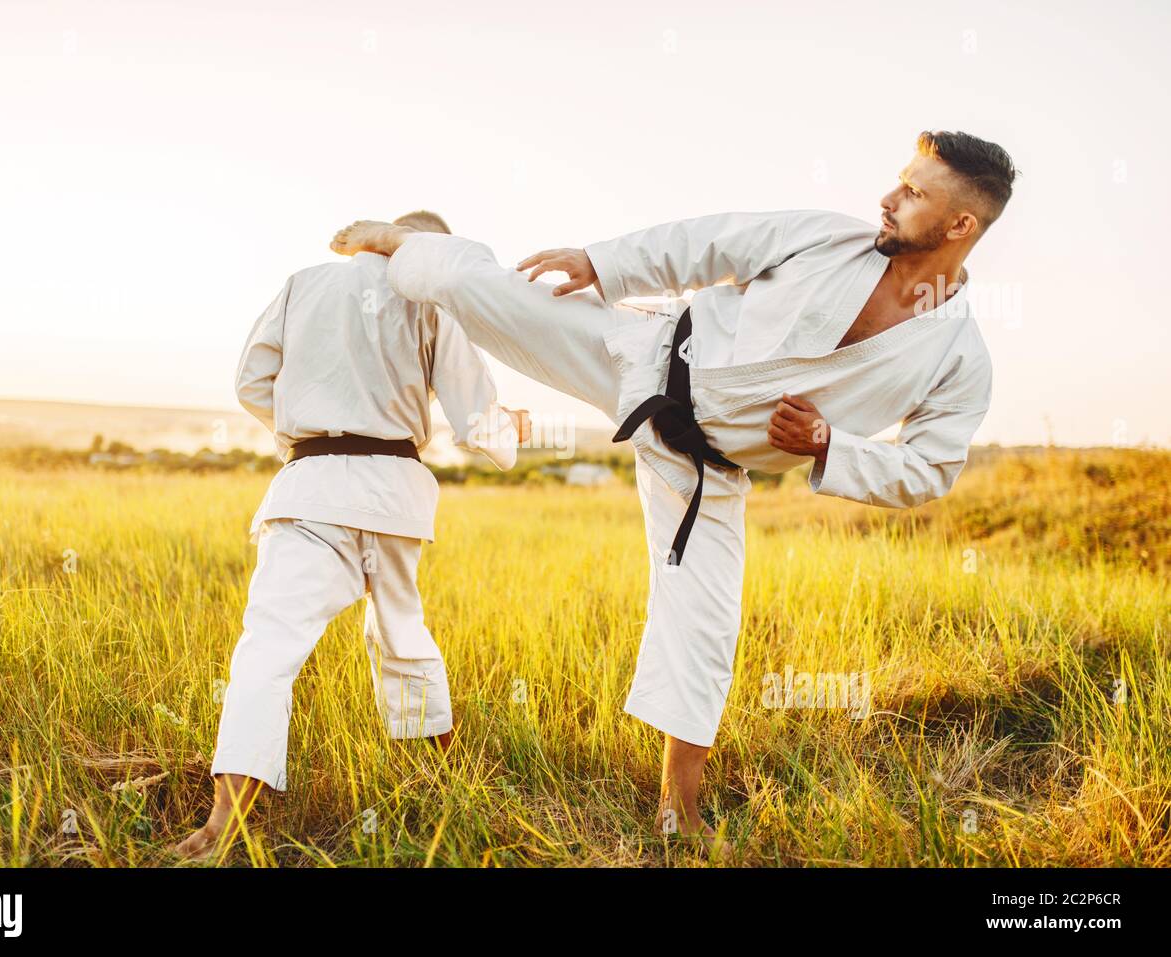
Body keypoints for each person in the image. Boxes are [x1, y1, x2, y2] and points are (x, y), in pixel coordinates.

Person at [329, 131, 1015, 850]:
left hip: (707, 468)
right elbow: (709, 242)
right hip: (642, 359)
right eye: (898, 181)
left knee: (707, 628)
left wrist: (830, 448)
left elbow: (932, 469)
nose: (888, 197)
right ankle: (406, 242)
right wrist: (602, 262)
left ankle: (676, 812)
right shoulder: (824, 238)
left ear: (961, 225)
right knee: (471, 287)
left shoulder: (957, 355)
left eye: (913, 193)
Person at [174, 210, 527, 859]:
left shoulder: (304, 284)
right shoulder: (432, 301)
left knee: (268, 649)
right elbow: (477, 421)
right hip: (394, 491)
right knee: (403, 635)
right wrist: (516, 430)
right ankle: (448, 785)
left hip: (309, 486)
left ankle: (223, 823)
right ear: (426, 252)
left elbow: (251, 381)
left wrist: (311, 425)